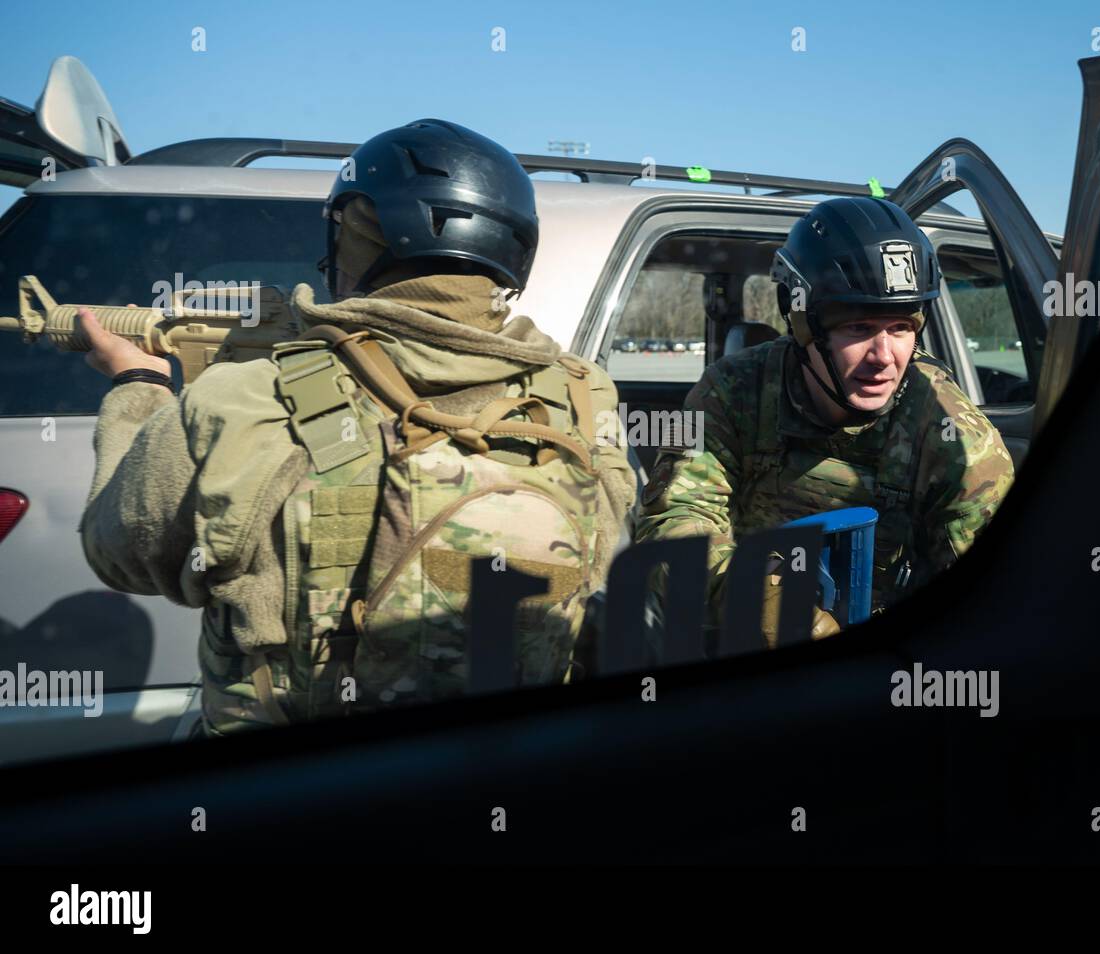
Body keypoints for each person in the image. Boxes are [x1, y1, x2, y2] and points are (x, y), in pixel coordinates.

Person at [77, 119, 636, 735]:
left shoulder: (242, 397)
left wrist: (140, 386)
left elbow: (121, 553)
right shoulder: (584, 397)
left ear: (368, 241)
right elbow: (599, 547)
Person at [635, 196, 1014, 643]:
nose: (884, 357)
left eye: (901, 329)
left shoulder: (953, 433)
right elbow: (672, 527)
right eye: (859, 328)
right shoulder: (729, 391)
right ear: (803, 324)